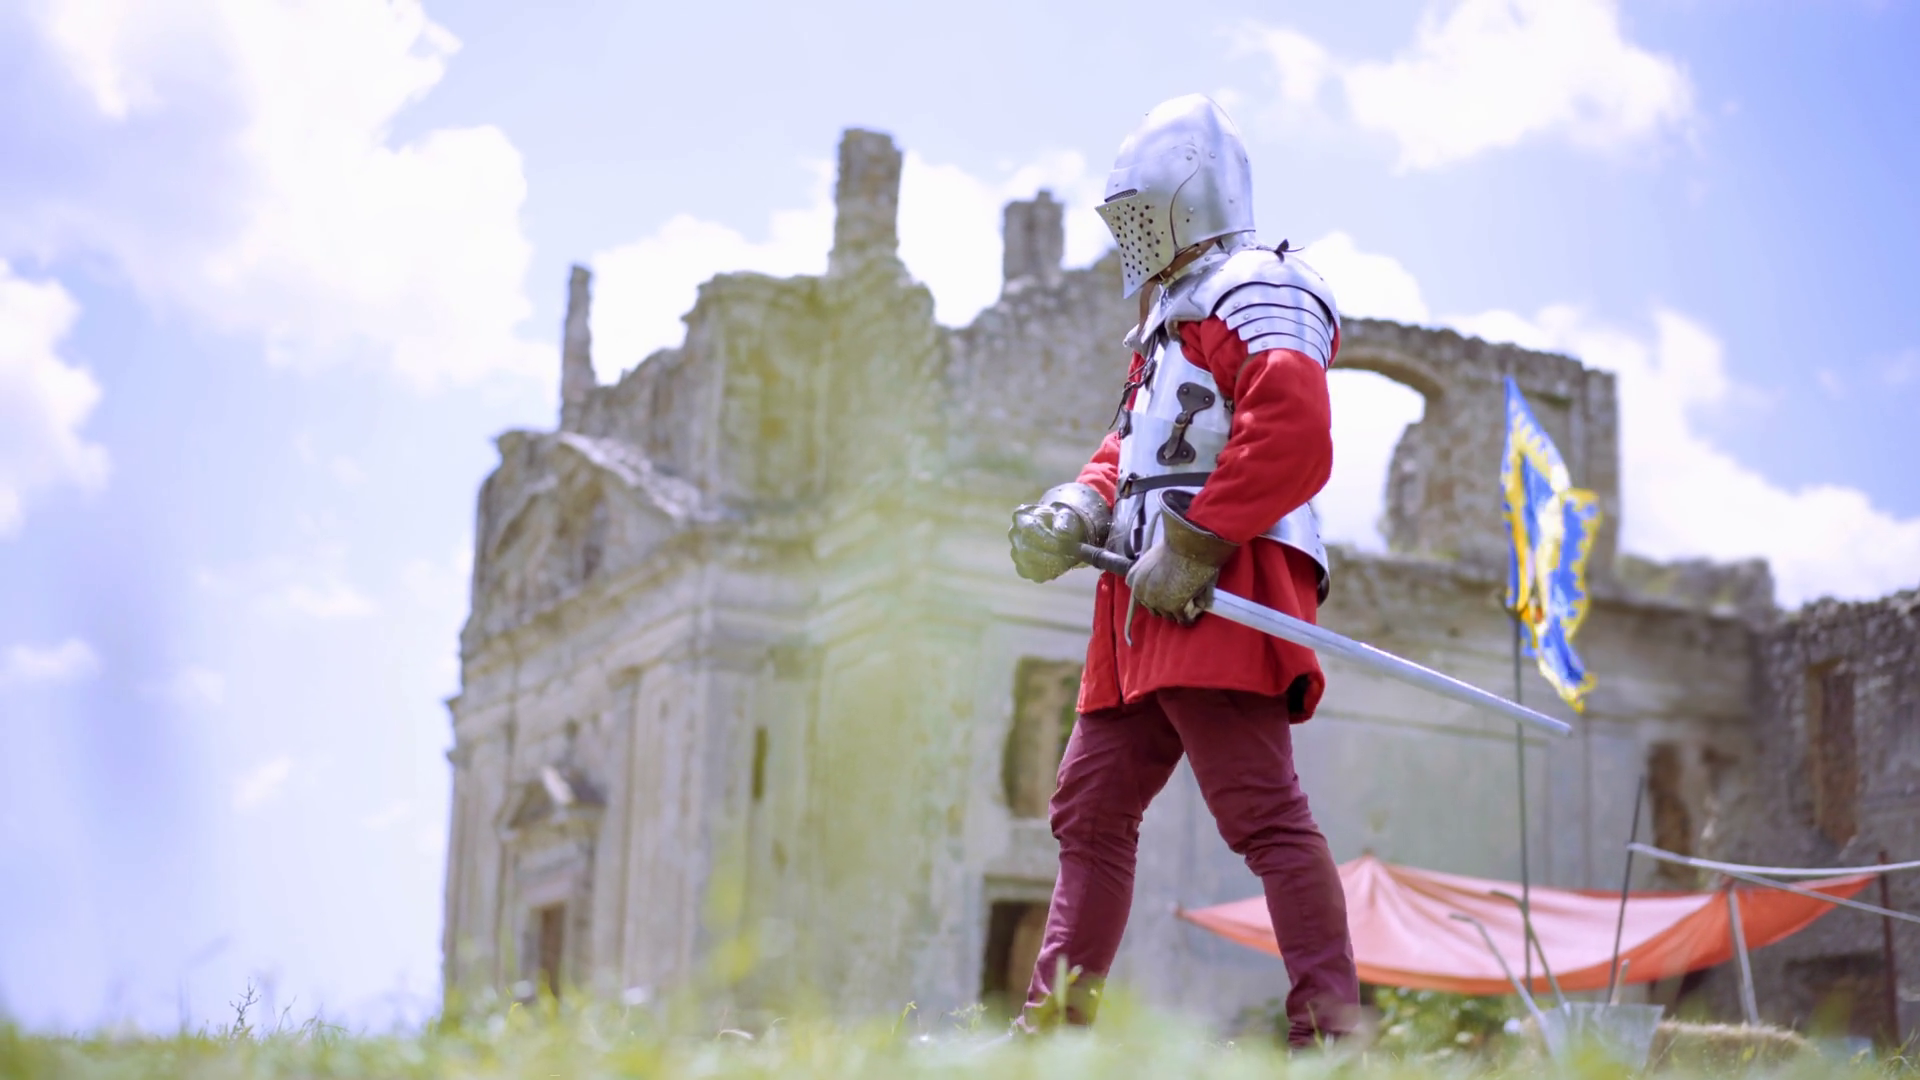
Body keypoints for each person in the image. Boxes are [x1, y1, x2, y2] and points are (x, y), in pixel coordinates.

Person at [1006, 93, 1359, 1048]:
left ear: (1186, 198)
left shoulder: (1258, 285)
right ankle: (1053, 1034)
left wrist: (1199, 542)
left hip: (1221, 582)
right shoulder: (1164, 322)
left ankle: (1330, 1037)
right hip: (1134, 600)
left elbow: (1291, 427)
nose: (1131, 236)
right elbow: (1131, 449)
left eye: (1139, 213)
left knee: (1260, 812)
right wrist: (1073, 506)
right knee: (1089, 810)